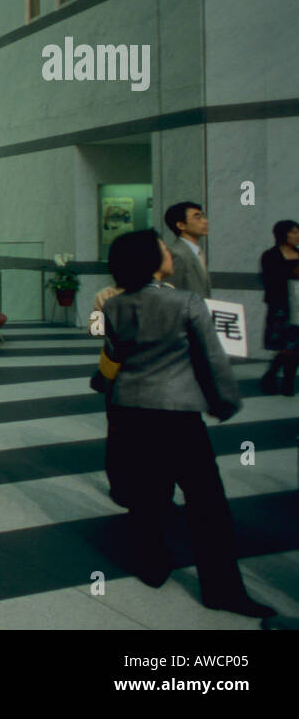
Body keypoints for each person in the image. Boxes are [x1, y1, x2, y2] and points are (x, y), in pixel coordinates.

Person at [99, 229, 274, 618]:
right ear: (150, 259)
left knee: (147, 495)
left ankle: (153, 567)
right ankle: (222, 589)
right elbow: (212, 359)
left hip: (130, 408)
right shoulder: (187, 302)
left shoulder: (115, 307)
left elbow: (114, 356)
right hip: (177, 414)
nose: (170, 254)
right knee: (206, 502)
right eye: (163, 249)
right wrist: (224, 403)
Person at [260, 219, 299, 396]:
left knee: (295, 345)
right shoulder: (271, 255)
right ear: (282, 234)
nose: (297, 236)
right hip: (281, 307)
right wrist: (290, 274)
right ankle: (274, 376)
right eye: (293, 232)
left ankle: (285, 379)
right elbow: (269, 280)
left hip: (298, 304)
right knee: (286, 345)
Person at [164, 201, 211, 297]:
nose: (205, 221)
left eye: (203, 216)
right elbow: (170, 293)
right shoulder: (176, 254)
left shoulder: (197, 251)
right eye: (197, 217)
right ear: (181, 225)